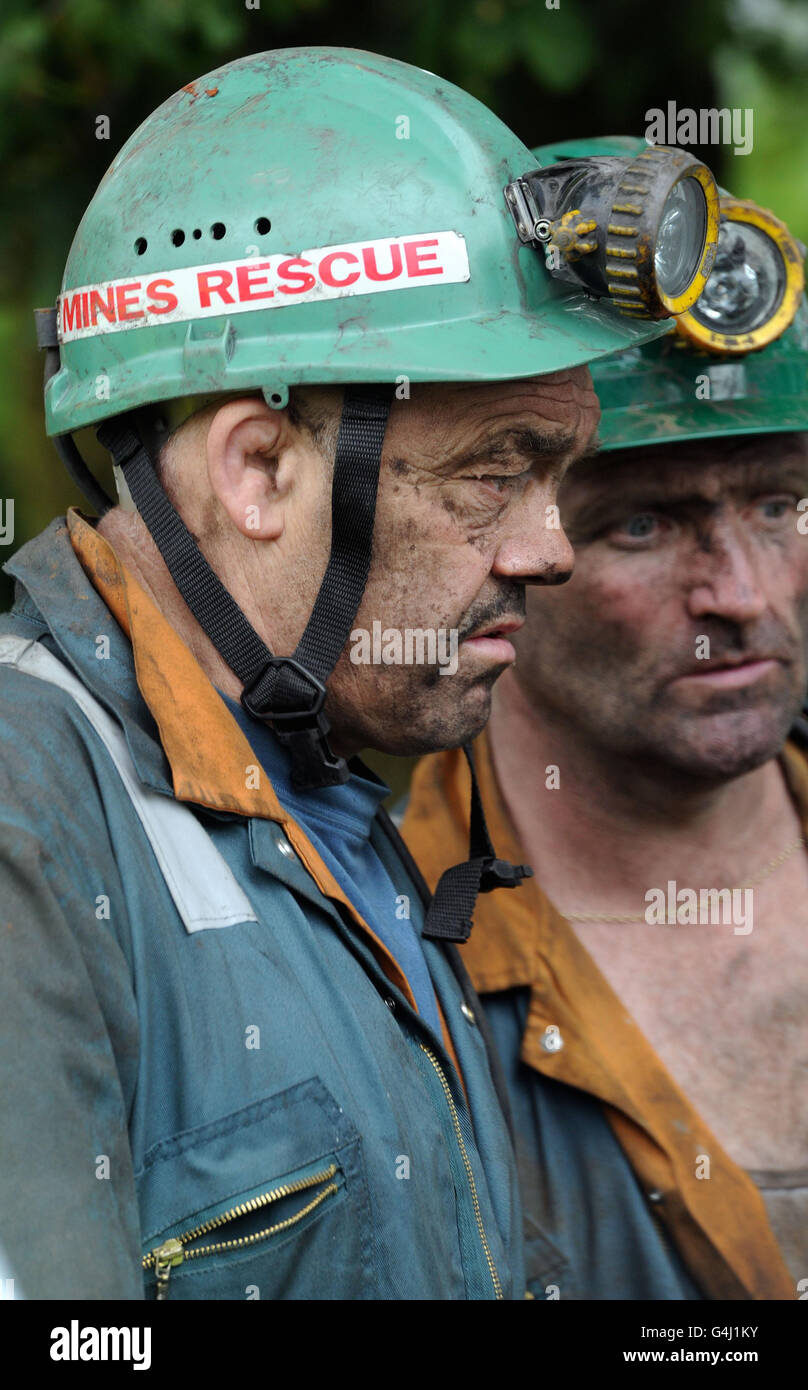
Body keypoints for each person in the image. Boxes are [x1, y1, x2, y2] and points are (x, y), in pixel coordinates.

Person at [0, 59, 680, 1300]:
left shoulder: (332, 789)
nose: (550, 549)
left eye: (560, 475)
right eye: (492, 473)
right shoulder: (30, 823)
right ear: (259, 468)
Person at [403, 143, 808, 1301]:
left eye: (779, 506)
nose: (740, 594)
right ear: (511, 544)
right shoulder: (384, 952)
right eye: (643, 526)